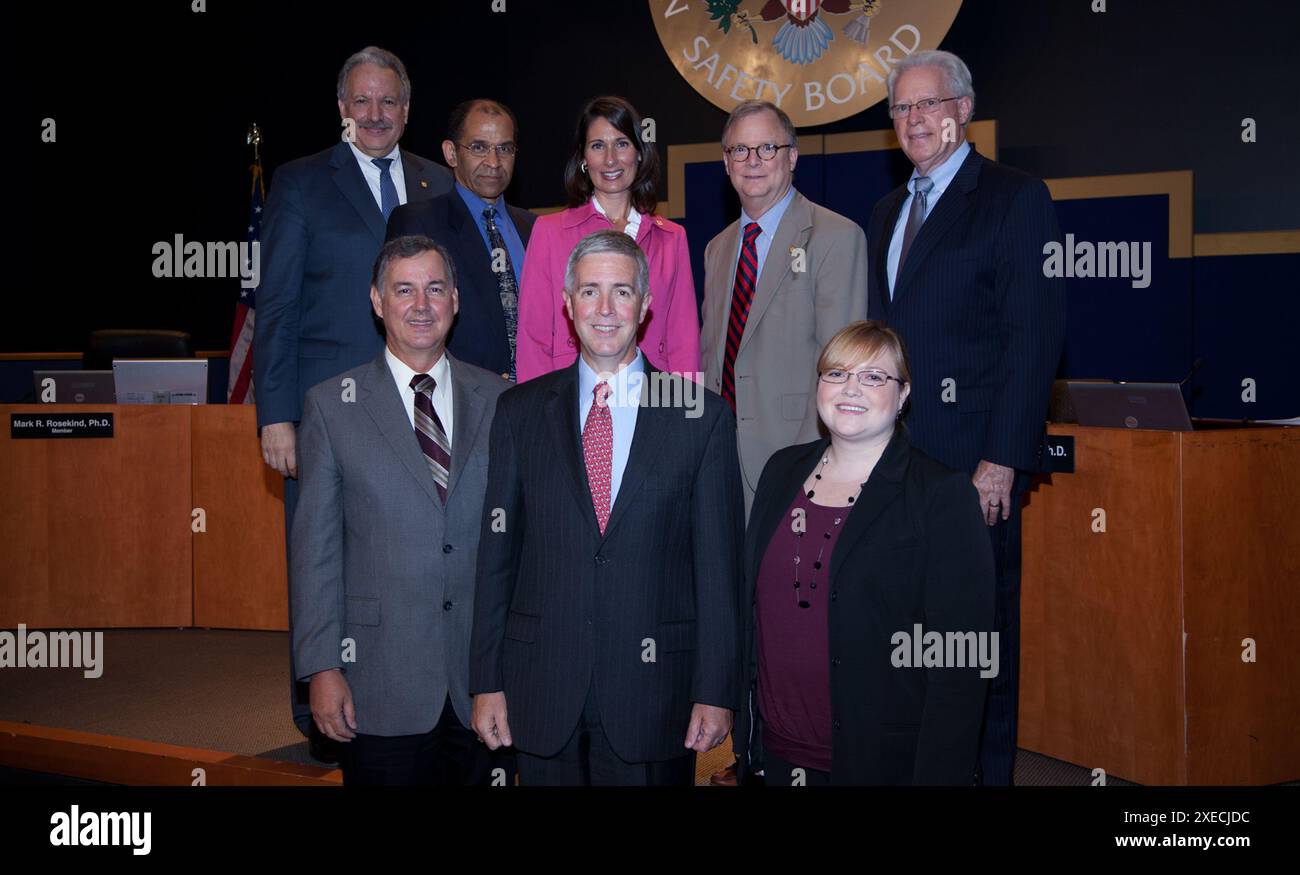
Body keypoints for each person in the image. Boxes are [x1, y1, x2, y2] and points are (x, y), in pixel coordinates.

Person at [470, 230, 743, 786]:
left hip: (656, 694)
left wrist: (716, 691)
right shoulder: (519, 413)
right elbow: (497, 560)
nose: (605, 309)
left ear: (645, 306)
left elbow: (719, 570)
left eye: (622, 292)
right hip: (541, 688)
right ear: (567, 305)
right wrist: (486, 681)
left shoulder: (701, 417)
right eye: (590, 291)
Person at [865, 50, 1066, 785]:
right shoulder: (887, 211)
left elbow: (1034, 337)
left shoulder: (1016, 198)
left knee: (980, 647)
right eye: (901, 109)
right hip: (897, 469)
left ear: (962, 112)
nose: (914, 120)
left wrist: (1003, 458)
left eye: (929, 105)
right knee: (905, 638)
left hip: (974, 467)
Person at [252, 46, 452, 758]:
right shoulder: (300, 183)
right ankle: (318, 707)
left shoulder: (436, 178)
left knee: (411, 551)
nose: (374, 115)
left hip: (423, 399)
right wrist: (277, 414)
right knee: (322, 550)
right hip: (328, 408)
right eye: (361, 102)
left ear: (406, 107)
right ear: (342, 108)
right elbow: (274, 305)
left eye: (388, 102)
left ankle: (424, 696)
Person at [290, 235, 511, 786]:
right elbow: (314, 553)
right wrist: (321, 668)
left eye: (435, 289)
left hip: (482, 685)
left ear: (456, 300)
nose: (421, 305)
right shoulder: (330, 406)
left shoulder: (503, 400)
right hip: (377, 683)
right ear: (376, 300)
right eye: (404, 289)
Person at [735, 320, 995, 785]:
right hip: (774, 753)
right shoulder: (780, 472)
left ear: (903, 394)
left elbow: (962, 663)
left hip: (880, 761)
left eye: (874, 377)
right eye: (836, 373)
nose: (850, 387)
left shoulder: (940, 495)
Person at [702, 98, 868, 786]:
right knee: (743, 622)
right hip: (723, 471)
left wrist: (810, 475)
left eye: (766, 149)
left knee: (800, 631)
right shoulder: (716, 249)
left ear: (793, 157)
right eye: (739, 150)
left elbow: (844, 370)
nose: (752, 162)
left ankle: (809, 761)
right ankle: (751, 756)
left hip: (798, 472)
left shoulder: (834, 236)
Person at [516, 96, 699, 381]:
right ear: (584, 159)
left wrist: (688, 415)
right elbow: (533, 336)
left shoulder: (672, 239)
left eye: (622, 143)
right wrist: (537, 415)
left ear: (640, 153)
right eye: (598, 146)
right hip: (571, 396)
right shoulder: (549, 232)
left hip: (652, 399)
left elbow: (683, 340)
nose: (610, 159)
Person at [387, 99, 536, 381]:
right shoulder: (418, 222)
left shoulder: (534, 228)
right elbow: (405, 324)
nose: (493, 162)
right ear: (451, 153)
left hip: (533, 399)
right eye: (479, 147)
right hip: (458, 403)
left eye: (504, 148)